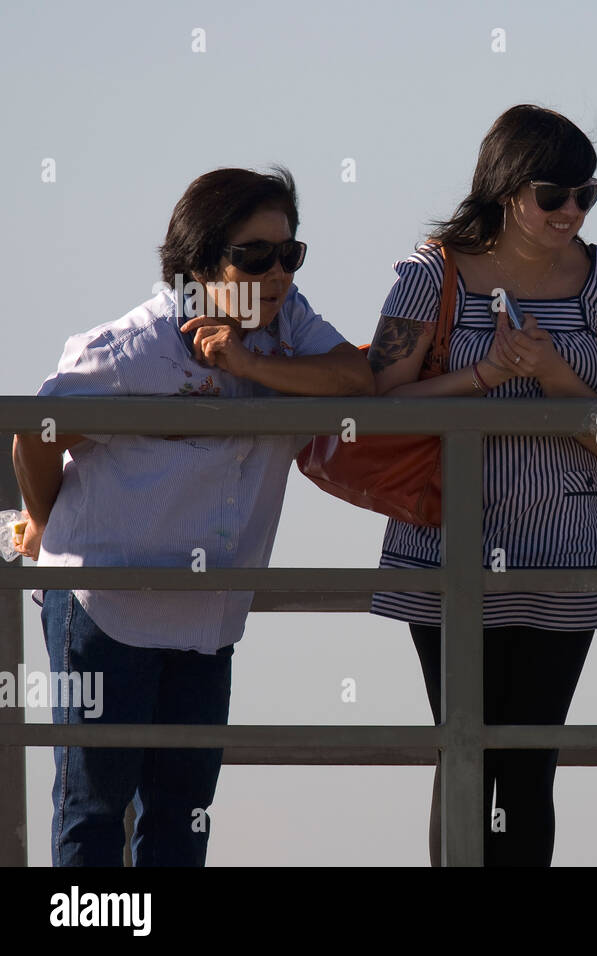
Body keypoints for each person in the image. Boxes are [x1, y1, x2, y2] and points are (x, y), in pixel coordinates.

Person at [11, 166, 374, 866]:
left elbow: (354, 378)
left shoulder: (286, 325)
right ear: (203, 263)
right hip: (107, 606)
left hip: (208, 618)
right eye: (255, 255)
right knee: (92, 816)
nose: (278, 273)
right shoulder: (134, 348)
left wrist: (246, 361)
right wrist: (44, 523)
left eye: (289, 253)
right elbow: (38, 434)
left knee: (182, 820)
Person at [366, 104, 597, 867]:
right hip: (446, 546)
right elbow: (377, 410)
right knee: (463, 757)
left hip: (561, 549)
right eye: (552, 194)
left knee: (528, 767)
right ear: (504, 188)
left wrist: (554, 375)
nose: (571, 212)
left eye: (586, 194)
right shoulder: (432, 276)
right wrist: (485, 375)